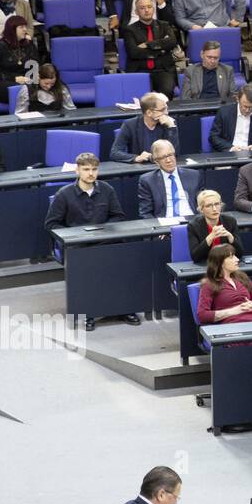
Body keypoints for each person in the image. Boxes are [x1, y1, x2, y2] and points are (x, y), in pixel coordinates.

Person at [45, 153, 131, 329]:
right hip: (79, 246)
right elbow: (51, 224)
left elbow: (118, 216)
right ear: (77, 170)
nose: (91, 173)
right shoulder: (64, 194)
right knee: (90, 265)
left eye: (94, 169)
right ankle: (89, 311)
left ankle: (125, 308)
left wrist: (103, 231)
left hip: (105, 241)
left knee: (125, 258)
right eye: (86, 169)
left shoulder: (107, 190)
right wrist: (73, 235)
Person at [198, 243, 252, 324]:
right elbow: (203, 315)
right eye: (231, 257)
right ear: (220, 262)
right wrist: (235, 310)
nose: (237, 259)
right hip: (233, 324)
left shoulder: (242, 277)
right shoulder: (209, 284)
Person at [120, 0, 179, 97]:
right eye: (142, 8)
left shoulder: (164, 25)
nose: (146, 10)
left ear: (153, 9)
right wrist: (161, 50)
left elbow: (172, 42)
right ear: (137, 12)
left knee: (167, 91)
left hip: (162, 69)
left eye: (149, 7)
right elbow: (134, 52)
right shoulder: (129, 30)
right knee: (140, 96)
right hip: (140, 70)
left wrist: (148, 44)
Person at [137, 140, 201, 219]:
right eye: (163, 157)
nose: (168, 160)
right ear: (157, 162)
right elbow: (145, 213)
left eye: (170, 155)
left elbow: (203, 205)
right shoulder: (148, 181)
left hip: (192, 223)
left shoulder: (194, 175)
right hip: (165, 224)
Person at [0, 16, 40, 107]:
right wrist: (15, 79)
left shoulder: (28, 45)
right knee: (22, 89)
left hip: (24, 80)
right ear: (12, 29)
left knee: (47, 85)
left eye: (25, 26)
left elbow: (34, 64)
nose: (25, 29)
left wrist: (34, 76)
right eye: (21, 27)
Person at [109, 92, 178, 164]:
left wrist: (171, 128)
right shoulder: (130, 124)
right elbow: (115, 152)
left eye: (167, 108)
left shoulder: (169, 123)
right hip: (140, 170)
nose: (166, 113)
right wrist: (136, 158)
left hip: (162, 168)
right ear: (149, 113)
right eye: (162, 110)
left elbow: (174, 153)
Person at [208, 84, 252, 155]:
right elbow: (213, 137)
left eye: (251, 107)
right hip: (229, 153)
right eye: (245, 106)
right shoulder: (224, 112)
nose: (247, 110)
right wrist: (231, 148)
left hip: (251, 155)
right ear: (238, 99)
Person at [188, 190, 243, 263]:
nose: (214, 209)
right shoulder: (194, 226)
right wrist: (210, 237)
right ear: (201, 209)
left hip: (226, 265)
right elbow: (195, 257)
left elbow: (240, 254)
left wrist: (231, 238)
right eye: (208, 206)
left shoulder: (230, 221)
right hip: (206, 266)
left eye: (217, 204)